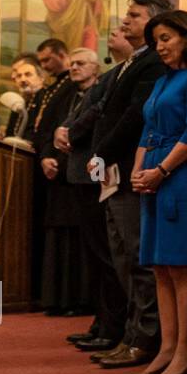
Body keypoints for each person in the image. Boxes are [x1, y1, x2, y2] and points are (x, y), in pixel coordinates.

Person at [128, 10, 187, 374]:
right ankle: (167, 346)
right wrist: (138, 171)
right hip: (153, 176)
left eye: (165, 38)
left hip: (181, 176)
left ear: (186, 35)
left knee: (180, 268)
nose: (159, 46)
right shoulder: (163, 80)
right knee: (160, 267)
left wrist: (161, 171)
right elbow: (147, 130)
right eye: (155, 41)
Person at [87, 0, 174, 369]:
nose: (125, 21)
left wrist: (102, 152)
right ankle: (130, 333)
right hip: (114, 170)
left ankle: (144, 337)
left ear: (155, 22)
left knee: (137, 258)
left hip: (129, 168)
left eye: (134, 15)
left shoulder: (153, 63)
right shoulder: (133, 62)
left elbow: (133, 118)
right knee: (121, 255)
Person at [58, 29, 131, 352]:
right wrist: (63, 130)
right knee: (96, 256)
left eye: (124, 29)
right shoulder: (109, 76)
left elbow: (99, 111)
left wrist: (71, 131)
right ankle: (101, 321)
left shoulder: (117, 76)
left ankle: (112, 326)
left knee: (107, 256)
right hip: (81, 173)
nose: (118, 32)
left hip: (97, 173)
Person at [37, 49, 101, 317]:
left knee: (85, 240)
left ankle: (85, 301)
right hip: (61, 178)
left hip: (88, 175)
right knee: (61, 239)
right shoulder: (64, 96)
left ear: (95, 68)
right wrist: (46, 158)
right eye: (72, 63)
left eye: (81, 63)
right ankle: (60, 299)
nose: (74, 67)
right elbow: (48, 131)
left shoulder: (98, 93)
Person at [4, 54, 45, 139]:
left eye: (28, 74)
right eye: (19, 76)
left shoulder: (46, 99)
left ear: (41, 78)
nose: (22, 80)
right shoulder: (19, 102)